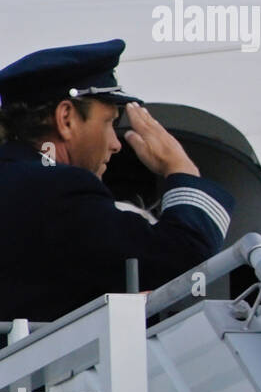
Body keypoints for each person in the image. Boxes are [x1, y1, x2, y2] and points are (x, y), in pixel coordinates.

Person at [0, 39, 234, 325]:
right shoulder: (58, 189)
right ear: (66, 118)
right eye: (109, 122)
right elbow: (181, 254)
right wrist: (180, 169)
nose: (115, 144)